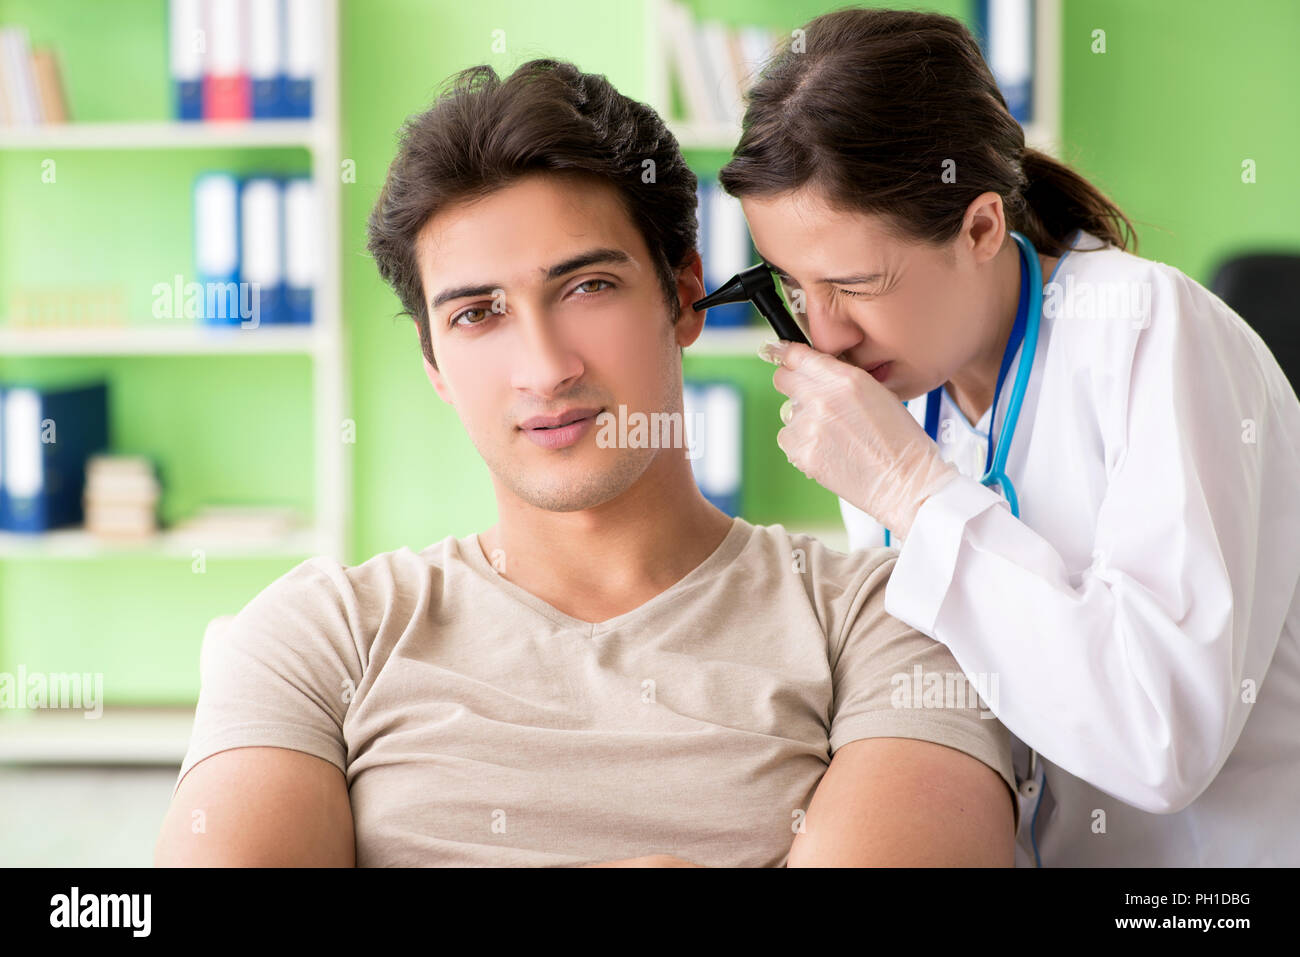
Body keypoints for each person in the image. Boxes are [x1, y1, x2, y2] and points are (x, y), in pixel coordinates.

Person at [155, 59, 1019, 867]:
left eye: (587, 287)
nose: (546, 366)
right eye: (476, 314)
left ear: (685, 298)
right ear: (433, 365)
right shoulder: (318, 634)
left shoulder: (893, 618)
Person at [720, 7, 1300, 865]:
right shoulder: (904, 392)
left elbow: (1159, 741)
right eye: (796, 288)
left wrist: (915, 491)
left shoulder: (1149, 331)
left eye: (854, 284)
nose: (826, 335)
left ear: (982, 227)